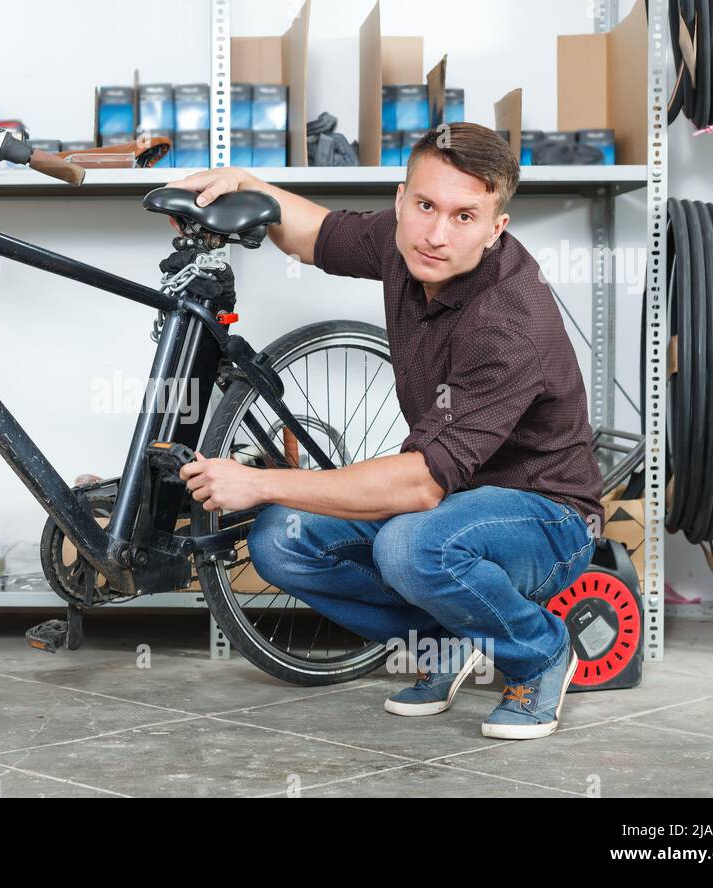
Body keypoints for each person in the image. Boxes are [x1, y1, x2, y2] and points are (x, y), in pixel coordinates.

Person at [170, 122, 603, 740]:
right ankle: (446, 645)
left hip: (545, 515)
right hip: (450, 499)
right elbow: (314, 234)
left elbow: (422, 485)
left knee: (410, 544)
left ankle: (537, 651)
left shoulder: (507, 321)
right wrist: (247, 184)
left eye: (463, 216)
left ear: (494, 229)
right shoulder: (406, 245)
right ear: (400, 202)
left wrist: (262, 482)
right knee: (280, 540)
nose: (435, 234)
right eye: (425, 205)